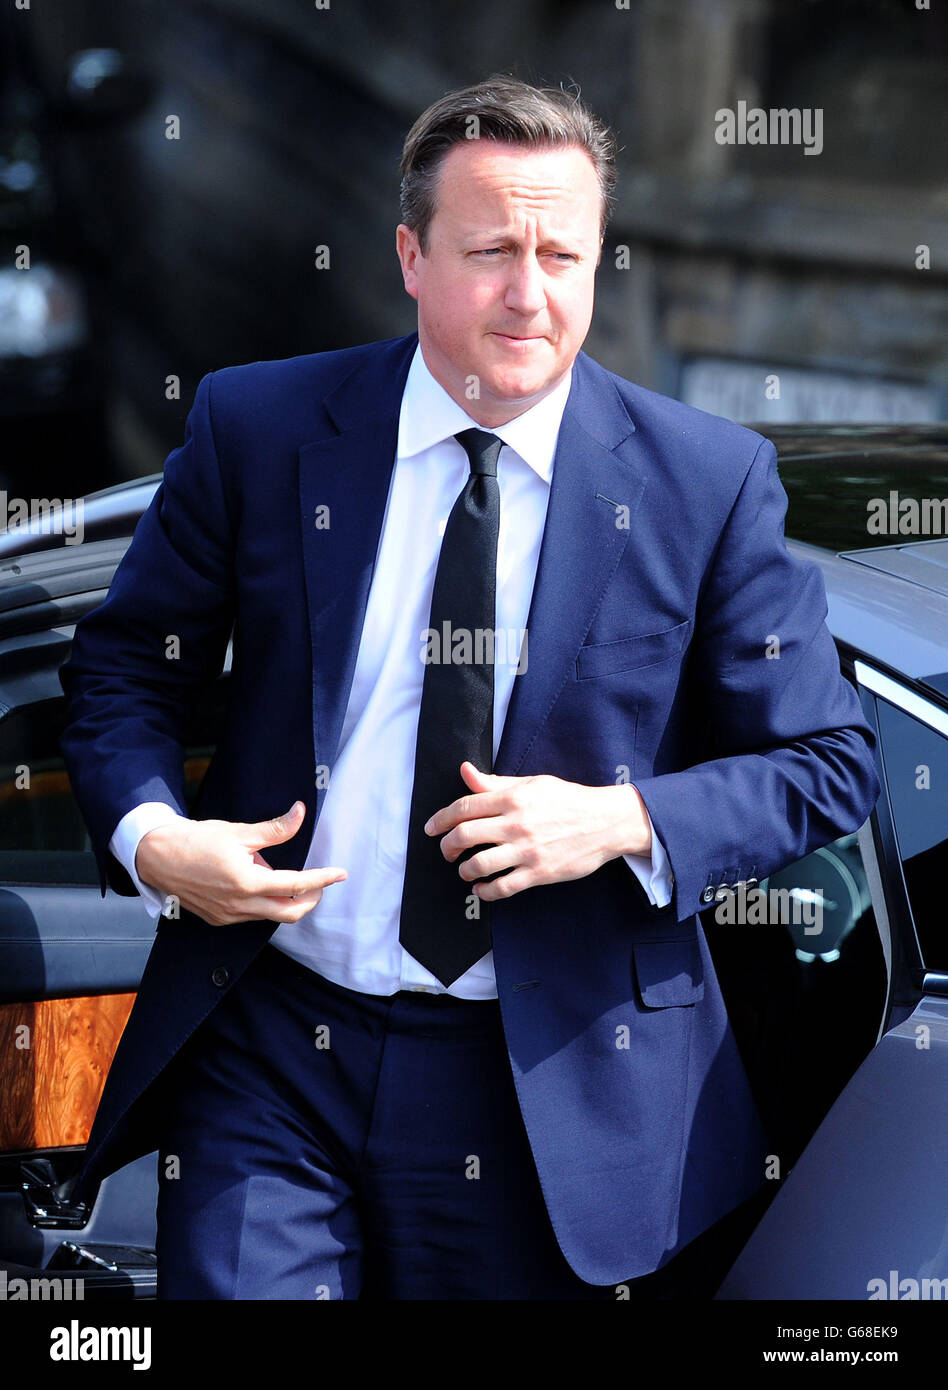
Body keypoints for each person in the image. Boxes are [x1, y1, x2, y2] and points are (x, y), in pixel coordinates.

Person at [58, 75, 881, 1300]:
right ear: (410, 253)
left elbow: (830, 761)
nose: (531, 292)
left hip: (548, 1079)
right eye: (494, 249)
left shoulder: (706, 481)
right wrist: (153, 837)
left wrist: (622, 820)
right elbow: (126, 663)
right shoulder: (262, 425)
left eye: (563, 253)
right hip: (277, 1042)